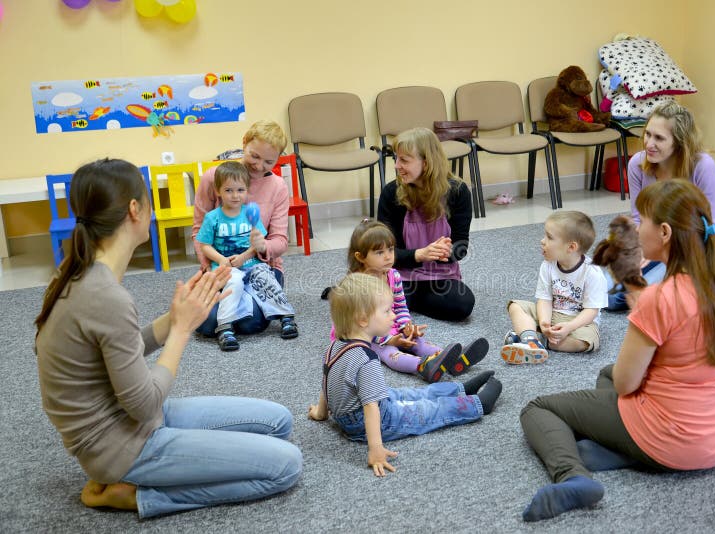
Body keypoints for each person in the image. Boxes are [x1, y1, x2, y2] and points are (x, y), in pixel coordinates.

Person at [35, 159, 302, 519]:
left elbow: (124, 350)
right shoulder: (103, 295)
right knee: (286, 466)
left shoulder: (83, 276)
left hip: (135, 422)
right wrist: (181, 330)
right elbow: (143, 404)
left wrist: (175, 317)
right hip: (123, 447)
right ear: (134, 209)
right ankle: (134, 495)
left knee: (279, 421)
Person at [518, 180, 715, 522]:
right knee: (604, 373)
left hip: (668, 438)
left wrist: (641, 309)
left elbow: (625, 385)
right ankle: (621, 451)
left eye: (641, 220)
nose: (634, 228)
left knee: (537, 408)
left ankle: (573, 476)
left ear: (663, 232)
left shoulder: (662, 297)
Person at [308, 273, 502, 477]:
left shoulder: (334, 346)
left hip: (350, 412)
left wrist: (322, 412)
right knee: (427, 411)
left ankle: (460, 389)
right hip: (365, 421)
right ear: (363, 320)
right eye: (386, 311)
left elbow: (326, 380)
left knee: (408, 394)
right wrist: (376, 449)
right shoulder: (366, 358)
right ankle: (477, 404)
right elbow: (371, 407)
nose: (393, 316)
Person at [335, 218, 489, 382]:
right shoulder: (357, 286)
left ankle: (452, 359)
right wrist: (388, 339)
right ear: (360, 256)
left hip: (388, 325)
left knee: (417, 341)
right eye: (380, 252)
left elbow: (400, 307)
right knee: (390, 353)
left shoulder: (393, 275)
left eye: (390, 250)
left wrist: (406, 326)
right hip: (364, 335)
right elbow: (359, 325)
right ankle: (424, 366)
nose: (388, 257)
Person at [607, 101, 715, 310]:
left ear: (679, 142)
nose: (649, 143)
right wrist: (638, 254)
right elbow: (638, 219)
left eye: (659, 138)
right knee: (604, 289)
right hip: (653, 244)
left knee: (629, 298)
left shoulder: (702, 165)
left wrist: (683, 262)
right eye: (648, 134)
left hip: (690, 250)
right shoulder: (637, 164)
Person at [193, 120, 299, 338]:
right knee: (206, 323)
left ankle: (256, 306)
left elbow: (280, 241)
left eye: (269, 161)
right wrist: (209, 268)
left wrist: (263, 246)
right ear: (244, 144)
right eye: (254, 156)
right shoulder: (213, 177)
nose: (259, 166)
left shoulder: (278, 187)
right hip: (222, 268)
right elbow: (199, 231)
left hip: (261, 268)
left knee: (249, 323)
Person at [377, 127, 474, 321]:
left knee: (463, 305)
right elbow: (383, 252)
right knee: (373, 306)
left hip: (440, 276)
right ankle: (403, 300)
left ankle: (405, 303)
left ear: (427, 163)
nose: (397, 166)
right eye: (396, 159)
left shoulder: (459, 192)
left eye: (404, 160)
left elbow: (461, 246)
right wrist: (419, 255)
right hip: (399, 276)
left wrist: (446, 252)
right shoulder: (391, 193)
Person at [502, 211, 607, 364]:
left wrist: (569, 327)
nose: (542, 241)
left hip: (579, 321)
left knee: (588, 342)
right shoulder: (548, 266)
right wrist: (544, 323)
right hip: (551, 314)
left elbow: (591, 311)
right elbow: (544, 300)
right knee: (516, 306)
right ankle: (530, 340)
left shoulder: (593, 273)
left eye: (549, 237)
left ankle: (535, 340)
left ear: (571, 247)